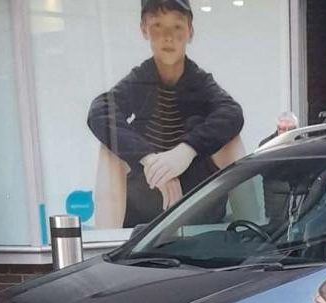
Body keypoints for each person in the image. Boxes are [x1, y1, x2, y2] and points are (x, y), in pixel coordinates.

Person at [87, 0, 244, 228]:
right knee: (108, 151)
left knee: (231, 143)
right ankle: (106, 245)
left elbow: (232, 113)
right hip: (147, 195)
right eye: (158, 26)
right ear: (144, 29)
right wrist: (149, 160)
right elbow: (100, 111)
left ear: (190, 31)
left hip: (195, 200)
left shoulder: (199, 82)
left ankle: (253, 238)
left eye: (177, 26)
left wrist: (186, 151)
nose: (168, 36)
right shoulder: (140, 80)